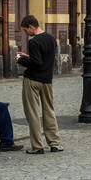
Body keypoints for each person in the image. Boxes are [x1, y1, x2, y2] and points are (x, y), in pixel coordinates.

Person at [16, 15, 60, 154]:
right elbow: (44, 59)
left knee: (33, 113)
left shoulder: (34, 42)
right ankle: (54, 143)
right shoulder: (51, 38)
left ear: (31, 27)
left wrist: (20, 60)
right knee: (49, 111)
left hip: (33, 80)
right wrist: (28, 56)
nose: (26, 33)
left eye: (25, 30)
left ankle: (37, 146)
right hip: (47, 80)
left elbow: (37, 63)